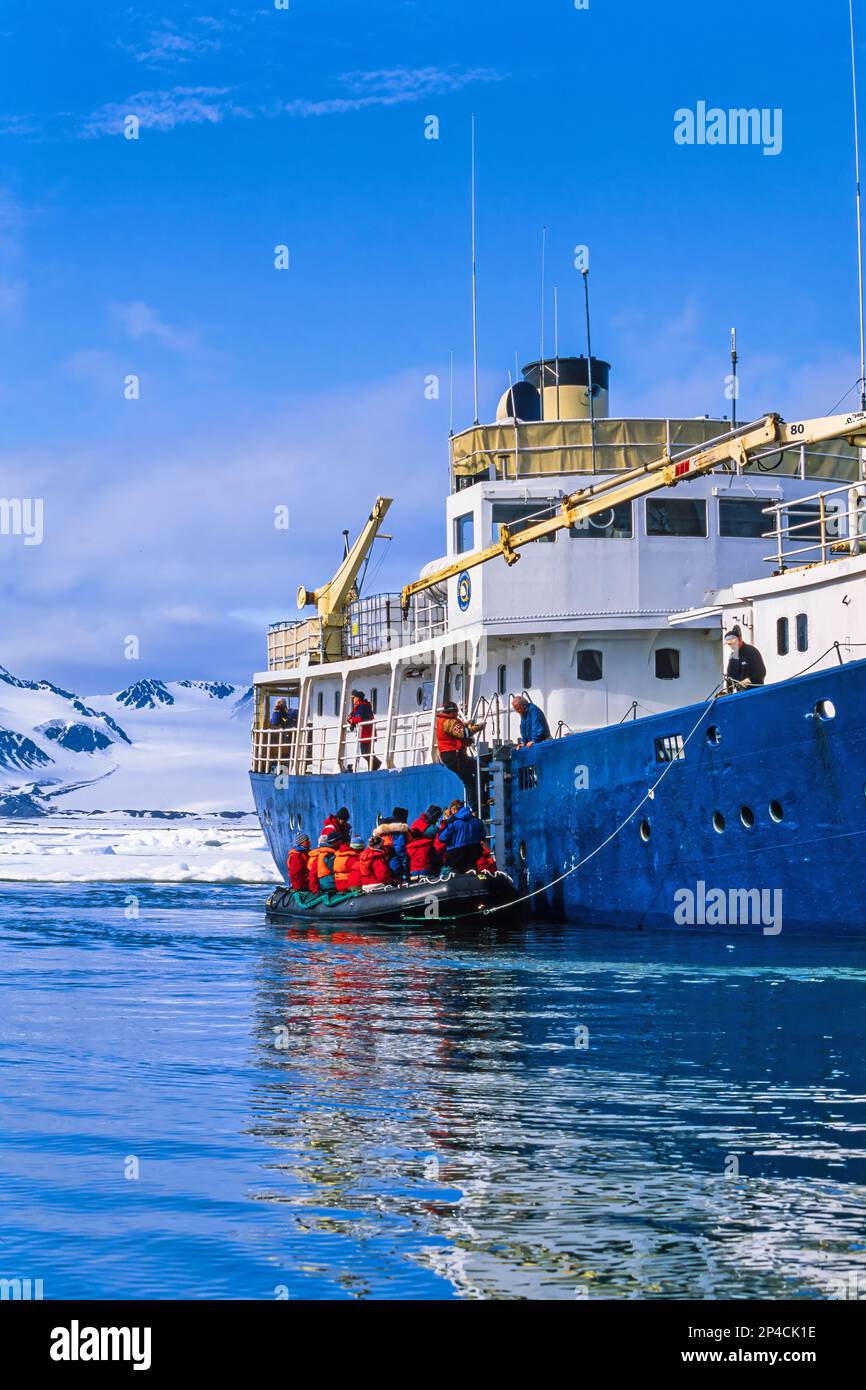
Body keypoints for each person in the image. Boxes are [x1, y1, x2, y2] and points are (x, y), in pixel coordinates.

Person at [435, 702, 483, 809]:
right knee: (469, 779)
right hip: (455, 757)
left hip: (452, 757)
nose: (457, 714)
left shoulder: (443, 721)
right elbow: (464, 733)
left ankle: (479, 801)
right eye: (456, 712)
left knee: (477, 769)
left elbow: (454, 733)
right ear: (452, 712)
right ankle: (476, 806)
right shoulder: (449, 722)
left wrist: (466, 724)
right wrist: (478, 727)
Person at [436, 803, 487, 873]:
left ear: (454, 810)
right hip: (474, 852)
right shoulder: (477, 821)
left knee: (455, 873)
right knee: (472, 872)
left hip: (456, 854)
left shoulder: (453, 822)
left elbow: (442, 838)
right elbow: (483, 836)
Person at [724, 625, 766, 690]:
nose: (732, 646)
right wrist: (727, 691)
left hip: (755, 691)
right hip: (741, 693)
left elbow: (761, 672)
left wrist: (748, 680)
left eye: (733, 643)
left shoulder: (751, 651)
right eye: (729, 644)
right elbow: (730, 677)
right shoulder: (733, 656)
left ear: (739, 640)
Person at [348, 689, 381, 770]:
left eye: (354, 698)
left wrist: (353, 720)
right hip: (364, 733)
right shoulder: (359, 707)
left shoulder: (364, 706)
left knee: (366, 752)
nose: (353, 699)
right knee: (368, 752)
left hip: (367, 733)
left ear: (358, 698)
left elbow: (361, 718)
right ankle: (373, 768)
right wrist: (350, 720)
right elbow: (354, 717)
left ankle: (377, 764)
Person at [406, 804, 443, 877]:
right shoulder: (421, 824)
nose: (437, 820)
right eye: (436, 818)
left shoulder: (418, 823)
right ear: (432, 817)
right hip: (425, 859)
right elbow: (433, 831)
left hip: (416, 864)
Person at [377, 806, 410, 882]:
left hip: (385, 865)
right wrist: (406, 870)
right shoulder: (398, 831)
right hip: (395, 864)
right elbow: (400, 849)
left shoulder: (382, 831)